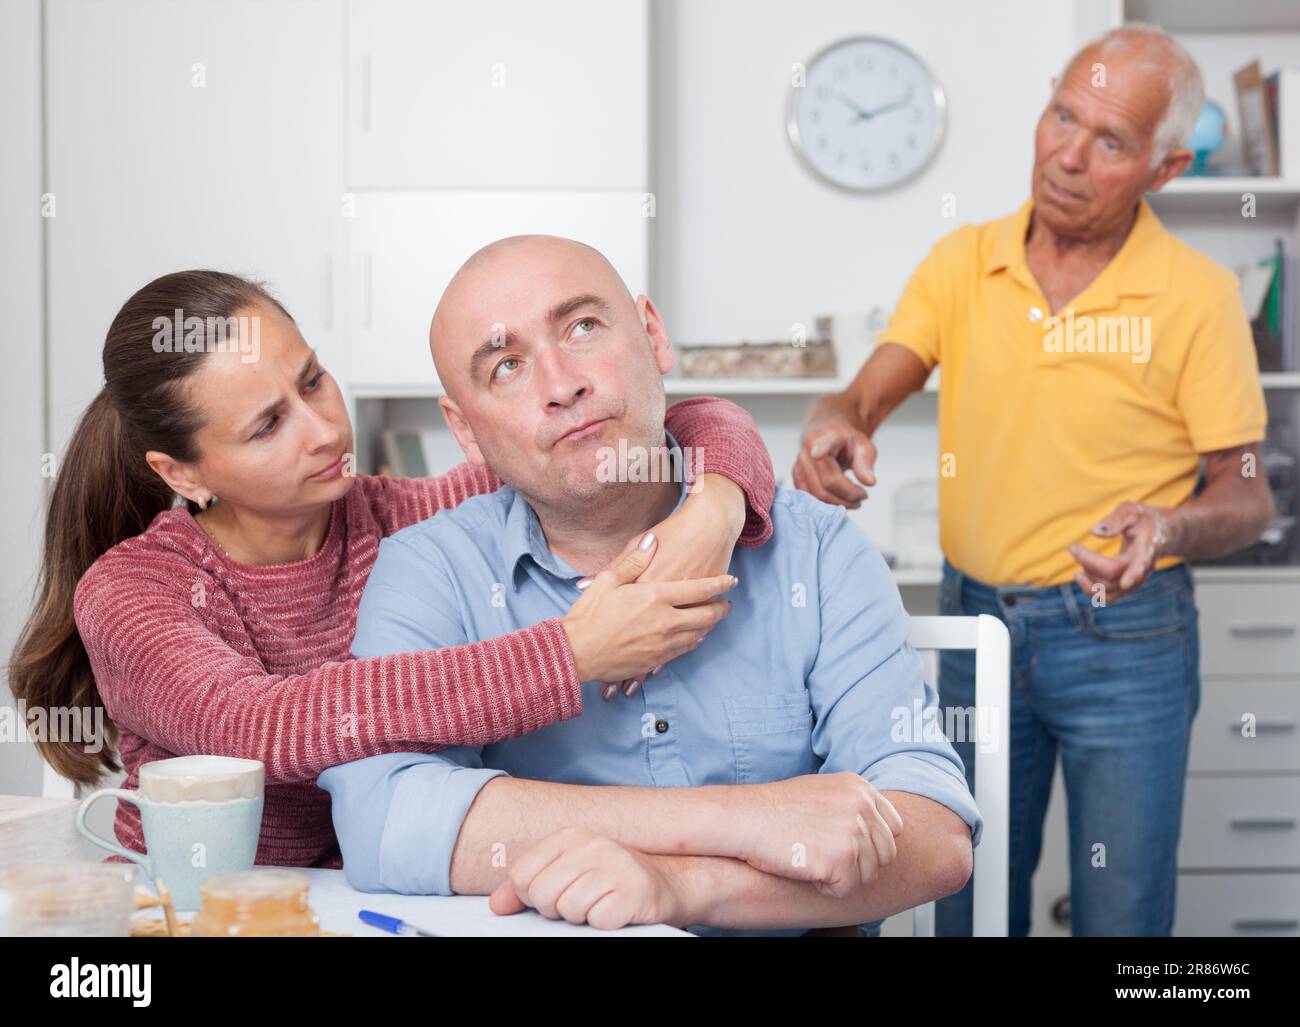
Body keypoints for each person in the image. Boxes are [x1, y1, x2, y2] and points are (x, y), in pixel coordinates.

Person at [319, 234, 981, 936]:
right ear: (466, 431)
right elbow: (383, 817)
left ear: (654, 335)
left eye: (582, 327)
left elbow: (935, 836)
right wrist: (748, 819)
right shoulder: (429, 570)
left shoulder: (818, 552)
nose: (561, 384)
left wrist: (676, 884)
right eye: (506, 365)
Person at [10, 269, 778, 869]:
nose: (322, 430)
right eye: (268, 425)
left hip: (364, 893)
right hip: (188, 904)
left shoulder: (409, 519)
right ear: (182, 474)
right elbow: (258, 726)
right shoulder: (132, 589)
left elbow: (668, 420)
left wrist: (715, 508)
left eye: (311, 379)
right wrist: (571, 653)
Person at [793, 26, 1272, 936]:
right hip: (978, 629)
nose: (1066, 155)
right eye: (1063, 116)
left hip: (1128, 640)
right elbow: (861, 395)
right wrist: (832, 427)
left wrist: (1166, 529)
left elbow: (1246, 495)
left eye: (1111, 141)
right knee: (964, 898)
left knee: (1122, 912)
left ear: (1164, 169)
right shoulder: (963, 262)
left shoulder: (1197, 294)